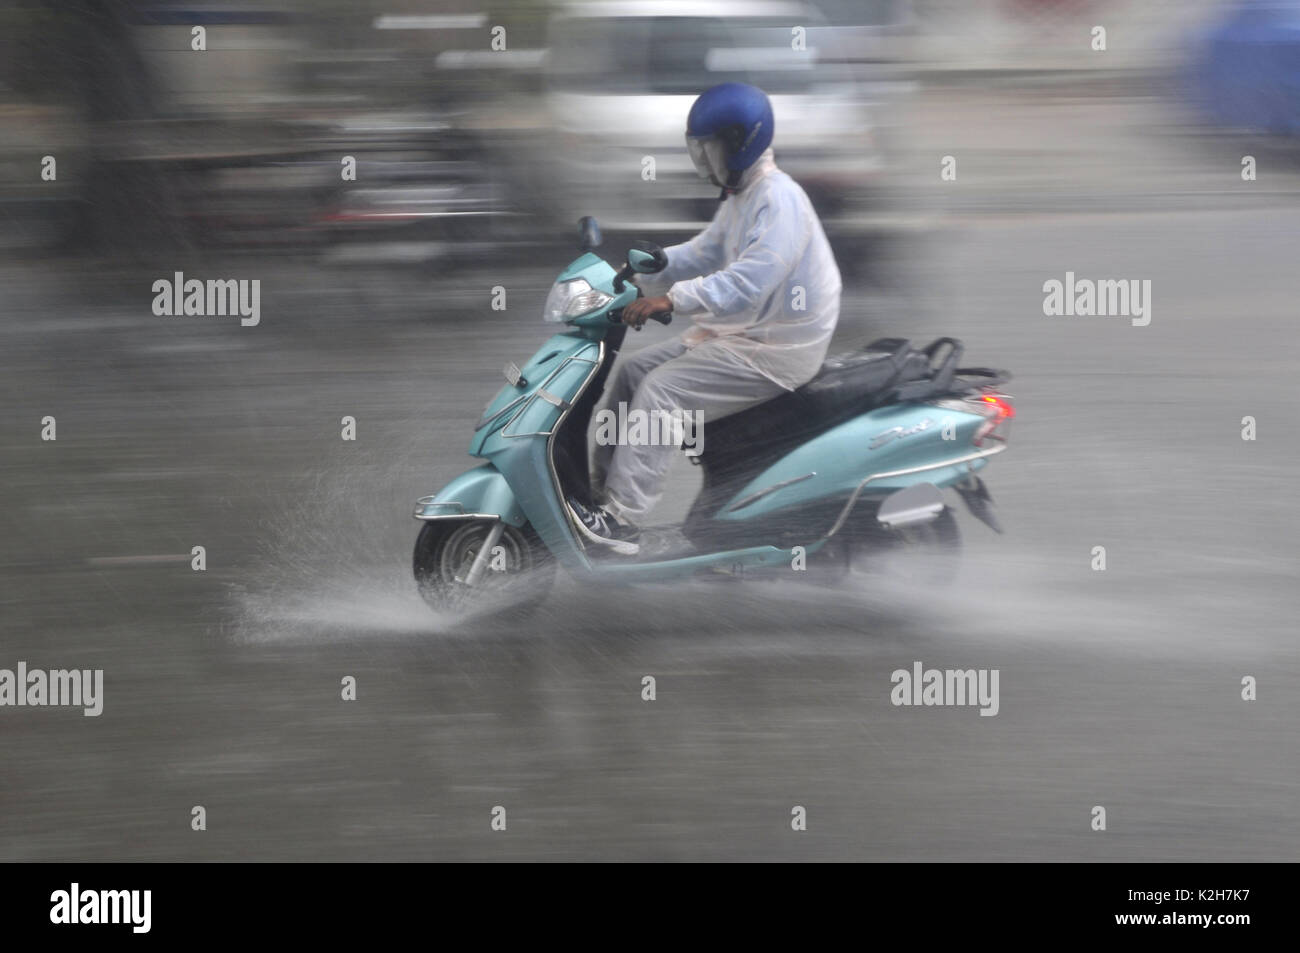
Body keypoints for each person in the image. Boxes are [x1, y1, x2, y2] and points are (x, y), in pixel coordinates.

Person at [569, 82, 842, 555]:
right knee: (634, 371)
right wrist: (648, 267)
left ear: (740, 143)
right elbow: (709, 250)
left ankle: (620, 517)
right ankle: (596, 494)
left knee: (663, 391)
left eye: (710, 149)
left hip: (779, 349)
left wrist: (669, 301)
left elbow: (749, 281)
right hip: (749, 333)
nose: (704, 161)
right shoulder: (745, 193)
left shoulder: (778, 200)